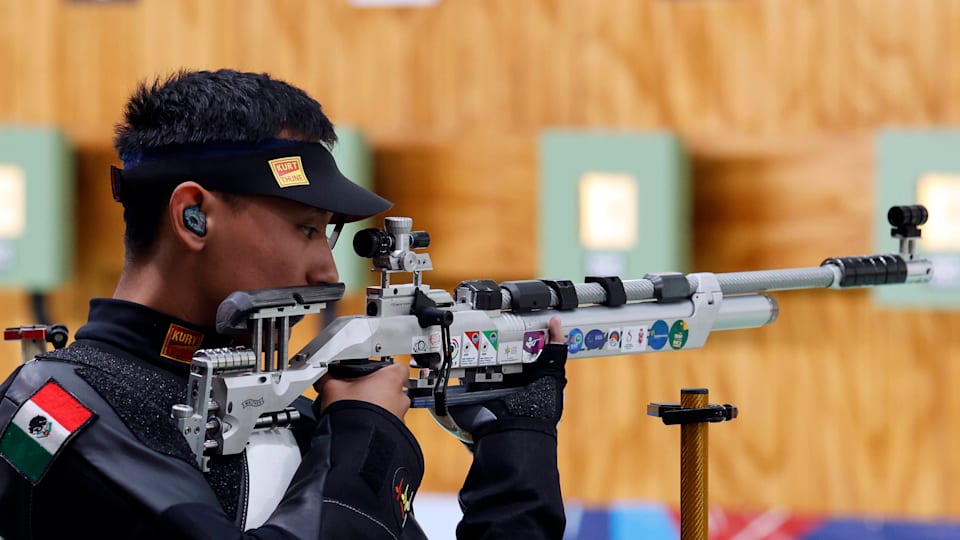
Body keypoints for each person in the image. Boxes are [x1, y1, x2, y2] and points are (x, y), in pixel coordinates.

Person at [0, 69, 567, 539]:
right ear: (193, 216)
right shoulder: (51, 412)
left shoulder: (294, 417)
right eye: (306, 229)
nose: (327, 271)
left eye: (329, 234)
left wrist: (516, 444)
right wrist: (364, 432)